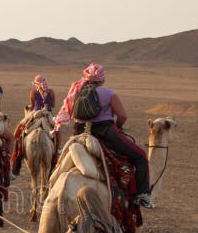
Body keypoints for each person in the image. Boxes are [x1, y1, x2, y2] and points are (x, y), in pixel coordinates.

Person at [54, 62, 155, 209]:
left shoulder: (76, 91)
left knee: (60, 159)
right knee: (140, 156)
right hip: (105, 132)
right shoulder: (108, 93)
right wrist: (118, 127)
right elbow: (122, 116)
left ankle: (48, 188)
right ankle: (142, 195)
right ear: (102, 78)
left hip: (79, 132)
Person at [12, 74, 56, 175]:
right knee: (56, 131)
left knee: (19, 131)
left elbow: (32, 104)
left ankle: (18, 153)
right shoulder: (51, 92)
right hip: (48, 113)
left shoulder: (33, 92)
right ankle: (57, 150)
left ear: (36, 84)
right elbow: (53, 105)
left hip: (35, 113)